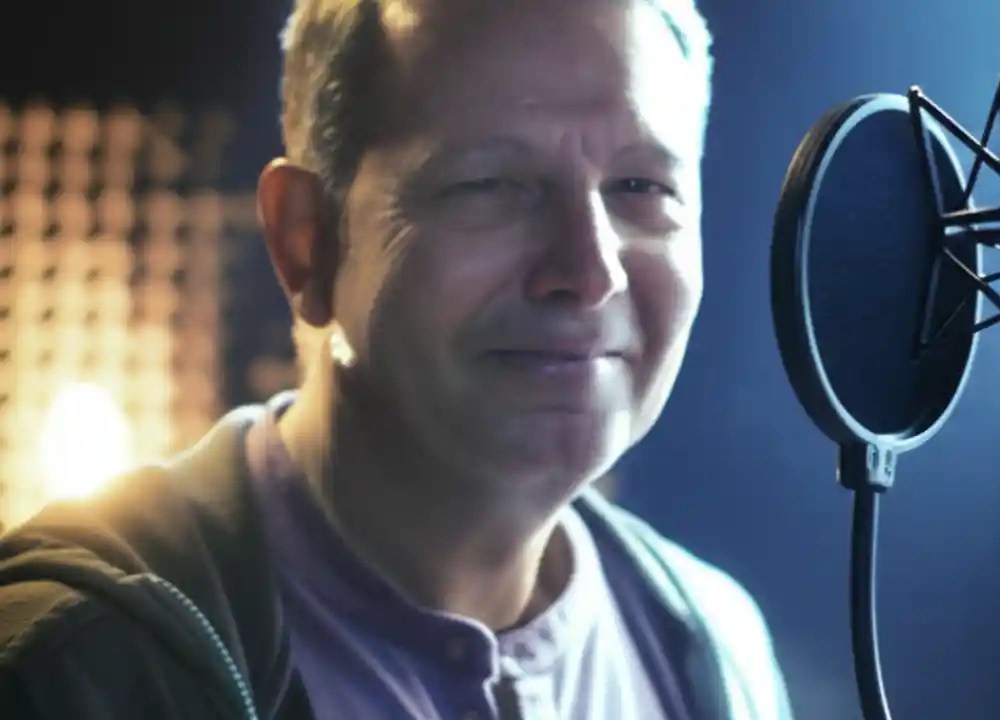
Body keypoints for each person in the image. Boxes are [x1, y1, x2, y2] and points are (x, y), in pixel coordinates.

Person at [0, 0, 794, 718]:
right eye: (491, 184)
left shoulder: (714, 650)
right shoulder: (81, 668)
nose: (588, 274)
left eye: (639, 186)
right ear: (305, 242)